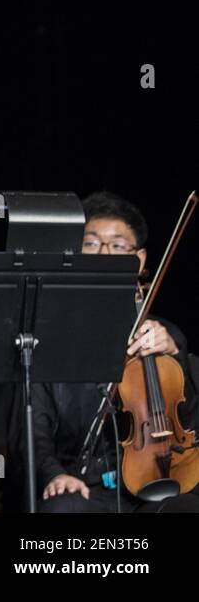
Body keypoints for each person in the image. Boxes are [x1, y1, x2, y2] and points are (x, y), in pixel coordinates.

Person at [35, 191, 198, 513]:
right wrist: (54, 475)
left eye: (117, 245)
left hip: (161, 479)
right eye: (91, 243)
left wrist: (176, 356)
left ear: (139, 260)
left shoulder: (165, 335)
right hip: (84, 487)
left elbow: (190, 420)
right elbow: (34, 432)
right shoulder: (48, 341)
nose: (103, 254)